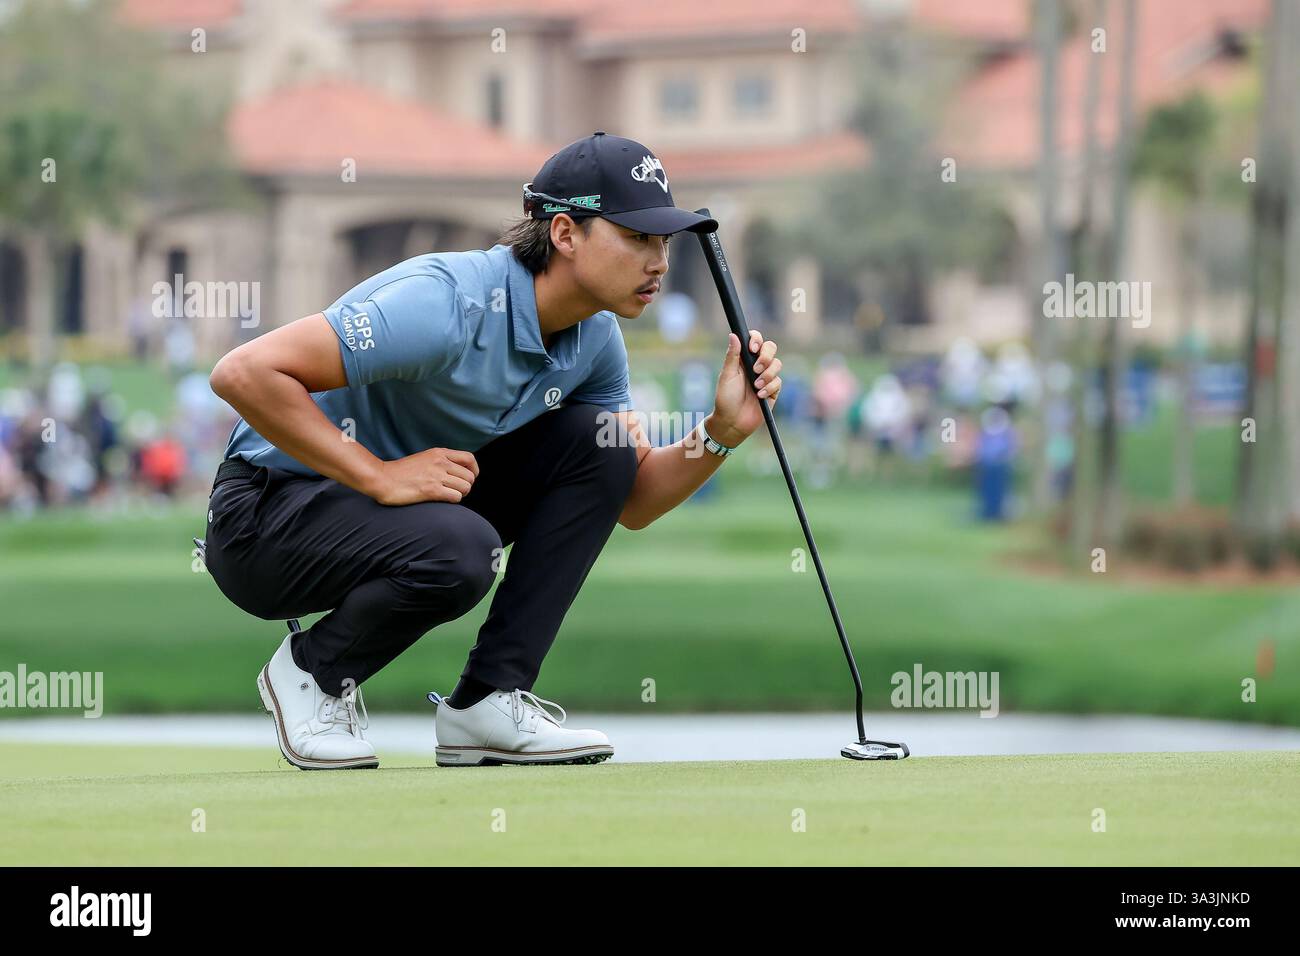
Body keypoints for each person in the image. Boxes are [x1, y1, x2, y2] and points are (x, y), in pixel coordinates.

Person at [204, 132, 784, 770]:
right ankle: (312, 673)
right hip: (263, 519)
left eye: (664, 242)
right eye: (637, 238)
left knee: (601, 448)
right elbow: (243, 373)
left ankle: (486, 702)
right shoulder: (447, 302)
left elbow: (631, 498)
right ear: (564, 234)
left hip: (383, 507)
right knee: (463, 548)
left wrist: (718, 434)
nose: (659, 263)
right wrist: (380, 476)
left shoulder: (595, 338)